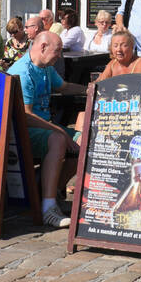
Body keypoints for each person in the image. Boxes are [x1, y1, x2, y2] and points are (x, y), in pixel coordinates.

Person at [7, 32, 85, 228]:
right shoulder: (23, 73)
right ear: (42, 48)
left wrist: (90, 88)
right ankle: (48, 208)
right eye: (57, 51)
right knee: (58, 139)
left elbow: (64, 87)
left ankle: (48, 190)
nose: (59, 55)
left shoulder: (44, 67)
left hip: (44, 126)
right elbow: (26, 116)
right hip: (23, 130)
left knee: (85, 139)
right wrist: (59, 132)